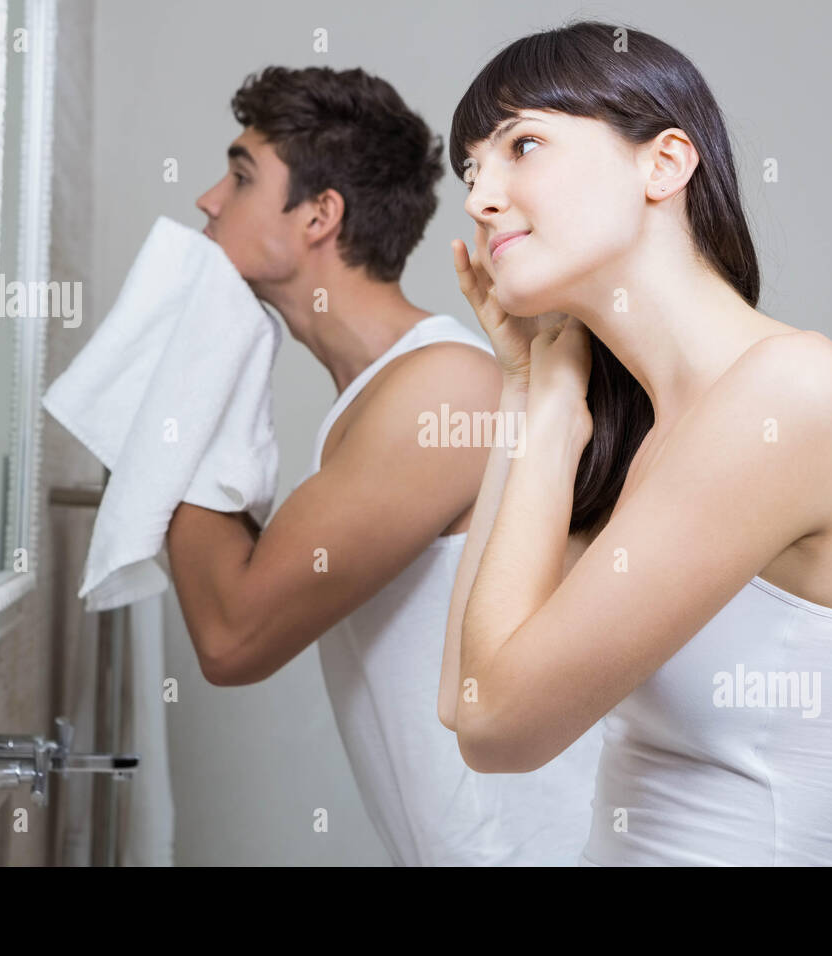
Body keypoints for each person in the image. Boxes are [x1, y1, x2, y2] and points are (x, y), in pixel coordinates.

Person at [439, 19, 832, 866]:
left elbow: (495, 730)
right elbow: (460, 694)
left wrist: (551, 412)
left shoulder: (791, 395)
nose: (480, 198)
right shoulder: (645, 438)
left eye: (522, 146)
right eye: (472, 170)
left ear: (663, 163)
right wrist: (532, 395)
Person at [166, 65, 602, 866]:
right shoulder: (388, 394)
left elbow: (232, 636)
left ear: (320, 216)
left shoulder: (439, 390)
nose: (207, 200)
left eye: (239, 176)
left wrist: (182, 373)